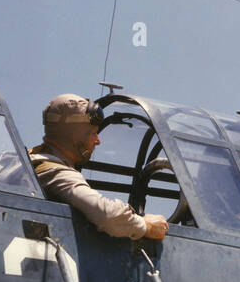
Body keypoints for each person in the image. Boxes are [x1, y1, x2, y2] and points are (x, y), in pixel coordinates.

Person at [29, 94, 168, 241]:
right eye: (93, 133)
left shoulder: (19, 160)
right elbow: (106, 214)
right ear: (75, 136)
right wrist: (145, 225)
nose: (98, 141)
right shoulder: (56, 172)